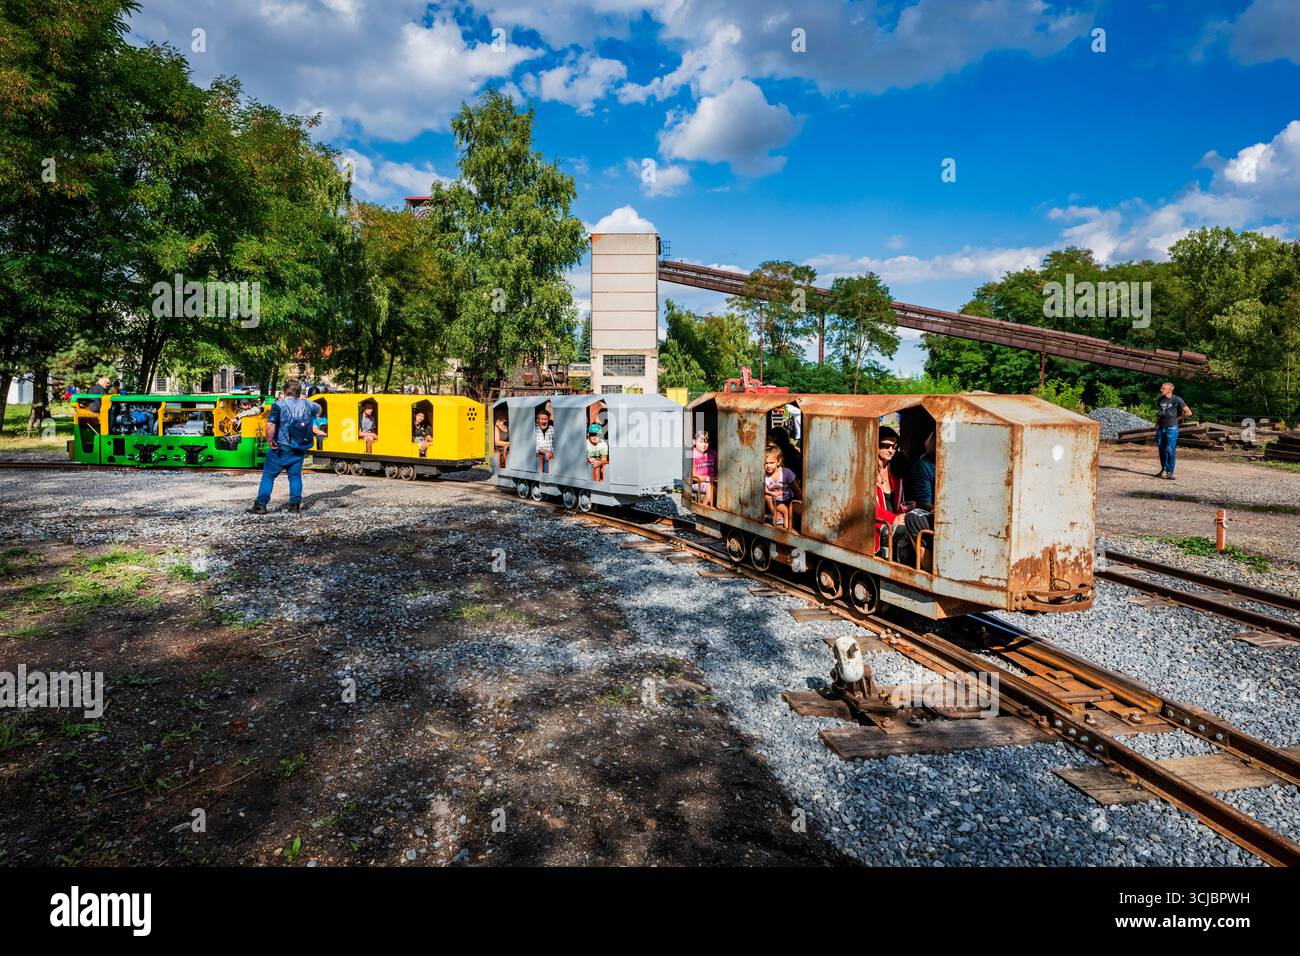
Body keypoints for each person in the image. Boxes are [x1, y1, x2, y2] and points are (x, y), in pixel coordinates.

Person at [249, 379, 320, 515]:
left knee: (269, 476)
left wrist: (270, 440)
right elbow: (319, 409)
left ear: (285, 390)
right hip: (299, 447)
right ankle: (294, 506)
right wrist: (304, 400)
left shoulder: (278, 405)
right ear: (299, 392)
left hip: (281, 447)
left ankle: (260, 506)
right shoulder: (308, 404)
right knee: (295, 476)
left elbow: (270, 425)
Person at [901, 431, 937, 569]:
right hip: (926, 511)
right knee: (913, 518)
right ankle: (927, 567)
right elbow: (924, 501)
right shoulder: (924, 467)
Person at [873, 426, 911, 559]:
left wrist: (904, 513)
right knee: (910, 532)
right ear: (875, 445)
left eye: (894, 446)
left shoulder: (894, 471)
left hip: (894, 522)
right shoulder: (866, 471)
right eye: (886, 445)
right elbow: (869, 506)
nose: (891, 450)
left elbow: (898, 503)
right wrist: (893, 518)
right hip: (877, 526)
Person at [1154, 382, 1192, 480]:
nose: (1161, 390)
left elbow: (1188, 412)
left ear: (1169, 390)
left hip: (1171, 428)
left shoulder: (1177, 399)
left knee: (1170, 450)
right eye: (1161, 388)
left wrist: (1177, 419)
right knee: (1161, 450)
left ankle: (1170, 472)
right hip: (1161, 428)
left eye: (1163, 388)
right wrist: (1157, 423)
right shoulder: (1160, 399)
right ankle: (1164, 470)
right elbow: (1159, 413)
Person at [763, 444, 801, 530]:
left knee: (801, 511)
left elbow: (796, 490)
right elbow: (767, 497)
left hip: (790, 499)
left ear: (778, 462)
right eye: (766, 463)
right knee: (786, 511)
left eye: (771, 463)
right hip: (777, 502)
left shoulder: (786, 472)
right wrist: (774, 511)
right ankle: (788, 532)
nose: (768, 466)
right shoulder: (764, 476)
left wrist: (802, 501)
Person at [690, 430, 716, 508]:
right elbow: (693, 475)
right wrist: (707, 478)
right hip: (697, 483)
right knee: (710, 487)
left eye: (706, 442)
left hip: (712, 480)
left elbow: (718, 470)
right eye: (701, 442)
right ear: (694, 442)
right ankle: (704, 508)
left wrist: (715, 478)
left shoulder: (713, 453)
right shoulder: (693, 455)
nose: (704, 445)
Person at [535, 409, 555, 474]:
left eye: (546, 419)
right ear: (537, 420)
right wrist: (544, 451)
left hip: (550, 457)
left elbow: (557, 444)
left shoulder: (552, 429)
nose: (544, 421)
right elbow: (530, 446)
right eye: (542, 419)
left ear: (548, 420)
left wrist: (552, 453)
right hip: (536, 458)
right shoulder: (533, 429)